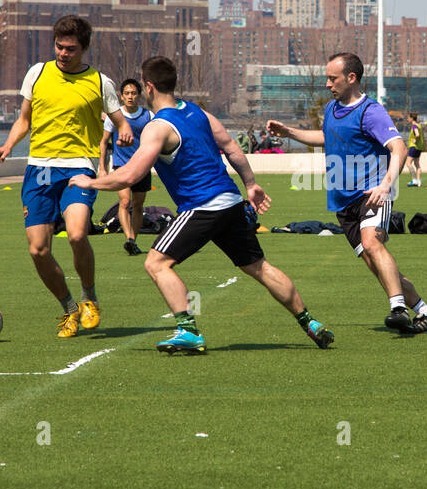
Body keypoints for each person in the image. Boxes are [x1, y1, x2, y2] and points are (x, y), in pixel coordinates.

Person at [73, 56, 333, 354]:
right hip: (231, 202)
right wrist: (250, 184)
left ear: (149, 86)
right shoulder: (197, 112)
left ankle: (188, 331)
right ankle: (310, 322)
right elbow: (231, 146)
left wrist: (90, 182)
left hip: (202, 206)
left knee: (156, 263)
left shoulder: (158, 127)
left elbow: (130, 175)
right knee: (258, 266)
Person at [267, 52, 427, 335]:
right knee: (375, 262)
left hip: (372, 193)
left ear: (351, 78)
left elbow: (398, 147)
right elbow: (326, 136)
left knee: (373, 244)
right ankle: (426, 314)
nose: (327, 84)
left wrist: (386, 184)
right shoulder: (331, 108)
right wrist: (289, 132)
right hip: (342, 201)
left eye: (332, 78)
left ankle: (398, 308)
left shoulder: (371, 111)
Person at [0, 15, 133, 338]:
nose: (63, 53)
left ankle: (89, 298)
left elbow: (120, 120)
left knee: (77, 234)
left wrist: (125, 131)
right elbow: (24, 120)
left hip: (79, 167)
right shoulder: (37, 73)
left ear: (84, 49)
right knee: (38, 250)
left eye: (70, 49)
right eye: (59, 46)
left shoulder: (100, 82)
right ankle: (69, 308)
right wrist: (8, 145)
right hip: (39, 169)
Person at [99, 77, 153, 256]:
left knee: (138, 205)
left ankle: (133, 241)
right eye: (127, 93)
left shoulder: (148, 116)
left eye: (134, 93)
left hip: (142, 166)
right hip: (121, 166)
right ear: (121, 96)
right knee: (124, 202)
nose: (130, 96)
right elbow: (104, 142)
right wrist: (102, 168)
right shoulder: (115, 117)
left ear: (139, 95)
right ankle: (129, 238)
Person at [405, 112, 425, 187]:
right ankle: (419, 182)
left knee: (408, 163)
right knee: (417, 164)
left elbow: (417, 134)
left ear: (411, 118)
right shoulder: (419, 125)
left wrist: (415, 139)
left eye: (408, 118)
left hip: (414, 146)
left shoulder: (414, 126)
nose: (407, 119)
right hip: (419, 147)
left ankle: (414, 180)